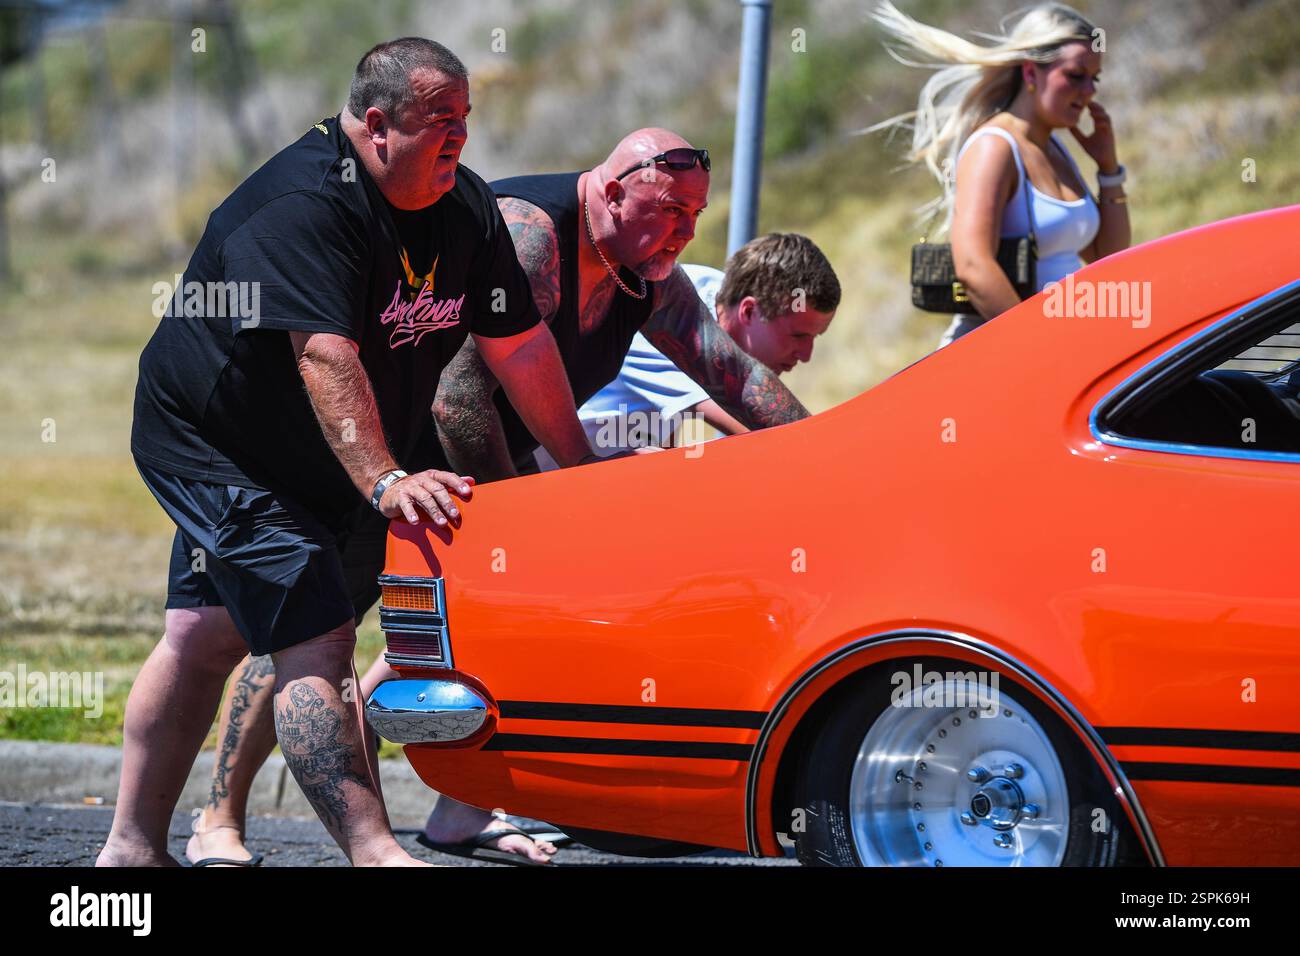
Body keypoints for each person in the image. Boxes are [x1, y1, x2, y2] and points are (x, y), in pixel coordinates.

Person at [191, 129, 813, 866]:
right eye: (672, 209)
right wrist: (524, 511)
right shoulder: (533, 236)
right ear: (612, 191)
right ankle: (219, 818)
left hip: (466, 480)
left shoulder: (645, 273)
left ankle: (444, 818)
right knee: (312, 636)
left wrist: (827, 454)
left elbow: (732, 375)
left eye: (697, 214)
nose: (687, 230)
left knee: (466, 642)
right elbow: (458, 398)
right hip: (383, 460)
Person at [99, 37, 603, 868]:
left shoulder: (465, 208)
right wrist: (386, 479)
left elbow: (518, 347)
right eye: (442, 121)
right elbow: (325, 357)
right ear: (377, 125)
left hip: (327, 446)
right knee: (320, 637)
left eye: (467, 120)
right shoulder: (303, 204)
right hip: (217, 445)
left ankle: (129, 850)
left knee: (204, 632)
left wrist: (580, 468)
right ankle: (376, 853)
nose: (461, 139)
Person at [872, 1, 1131, 347]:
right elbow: (972, 266)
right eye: (1075, 76)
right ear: (1029, 73)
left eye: (1094, 79)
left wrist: (1109, 169)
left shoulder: (1055, 149)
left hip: (1063, 346)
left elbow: (1106, 258)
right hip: (1003, 354)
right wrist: (1036, 347)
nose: (1089, 91)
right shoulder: (994, 147)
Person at [536, 232, 841, 465]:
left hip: (608, 467)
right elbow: (756, 428)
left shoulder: (719, 292)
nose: (806, 354)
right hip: (540, 479)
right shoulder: (667, 316)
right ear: (749, 312)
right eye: (799, 336)